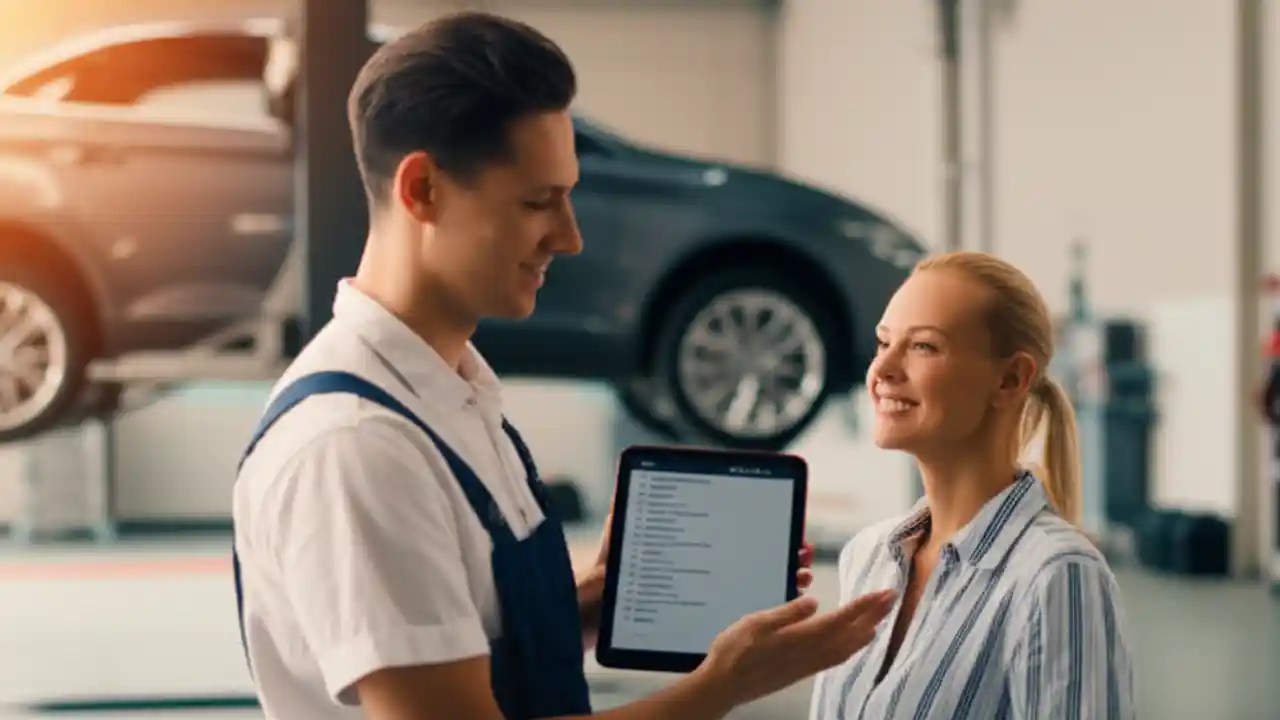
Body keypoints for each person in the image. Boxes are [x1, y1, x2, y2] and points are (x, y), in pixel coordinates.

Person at [231, 11, 897, 720]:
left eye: (569, 196)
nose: (570, 237)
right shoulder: (360, 447)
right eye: (537, 203)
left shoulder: (452, 396)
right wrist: (722, 687)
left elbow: (473, 643)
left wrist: (587, 604)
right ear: (422, 189)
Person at [808, 251, 1135, 719]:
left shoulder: (1057, 574)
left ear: (1010, 379)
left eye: (924, 346)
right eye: (884, 343)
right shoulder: (867, 556)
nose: (882, 370)